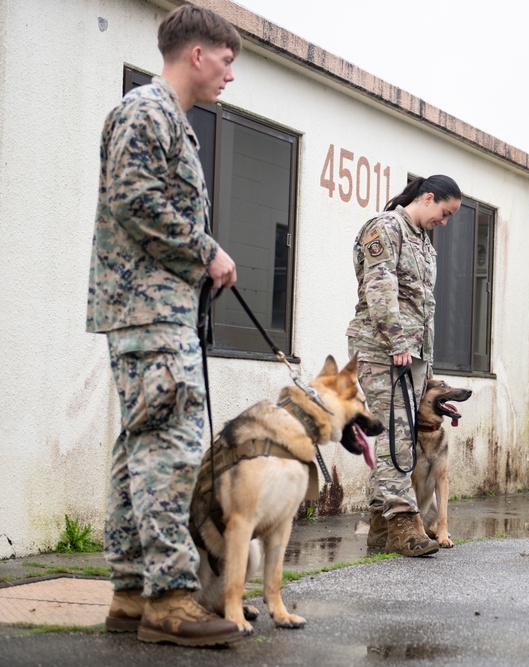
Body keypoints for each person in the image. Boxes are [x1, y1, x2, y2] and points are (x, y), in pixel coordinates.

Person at [86, 5, 243, 646]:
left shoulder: (168, 120)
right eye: (226, 61)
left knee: (140, 450)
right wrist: (207, 250)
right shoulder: (147, 111)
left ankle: (131, 593)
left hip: (152, 311)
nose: (230, 75)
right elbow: (134, 198)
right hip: (150, 314)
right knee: (169, 453)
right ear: (197, 54)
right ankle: (171, 599)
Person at [347, 175, 462, 557]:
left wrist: (425, 362)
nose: (444, 221)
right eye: (444, 212)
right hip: (382, 350)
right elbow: (379, 287)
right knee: (397, 438)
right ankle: (402, 525)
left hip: (412, 357)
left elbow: (423, 305)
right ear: (428, 198)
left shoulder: (423, 242)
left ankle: (380, 527)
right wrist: (397, 341)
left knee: (399, 438)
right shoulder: (386, 227)